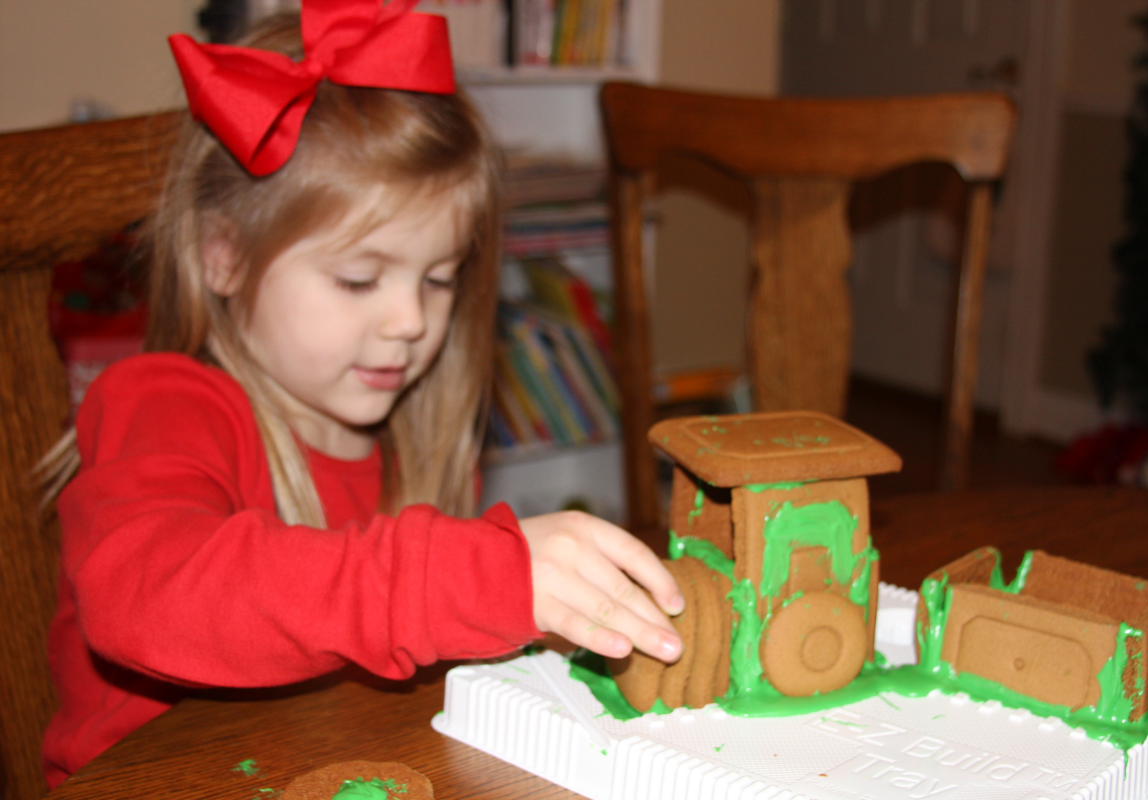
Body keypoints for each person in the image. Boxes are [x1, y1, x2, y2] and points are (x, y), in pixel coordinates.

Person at [41, 1, 682, 788]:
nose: (410, 321)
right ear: (223, 256)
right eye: (357, 279)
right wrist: (458, 579)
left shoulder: (413, 443)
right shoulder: (160, 404)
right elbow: (145, 599)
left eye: (439, 278)